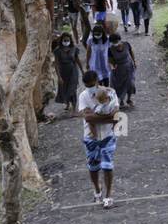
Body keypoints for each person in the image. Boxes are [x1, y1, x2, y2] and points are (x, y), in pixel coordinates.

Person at [77, 69, 119, 209]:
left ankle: (108, 196)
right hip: (90, 137)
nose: (90, 88)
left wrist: (97, 119)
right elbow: (87, 117)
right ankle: (97, 190)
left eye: (92, 85)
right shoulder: (83, 96)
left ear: (97, 81)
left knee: (107, 166)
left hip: (108, 135)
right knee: (93, 167)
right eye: (87, 85)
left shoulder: (110, 92)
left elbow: (116, 116)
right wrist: (108, 119)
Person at [54, 31, 82, 111]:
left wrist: (82, 71)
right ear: (61, 41)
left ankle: (74, 108)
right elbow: (56, 64)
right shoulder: (58, 51)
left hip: (73, 70)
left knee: (72, 89)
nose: (66, 42)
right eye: (64, 40)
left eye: (67, 40)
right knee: (64, 88)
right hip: (63, 71)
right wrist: (59, 77)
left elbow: (77, 60)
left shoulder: (74, 49)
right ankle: (67, 103)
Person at [108, 32, 137, 107]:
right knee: (119, 86)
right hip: (118, 70)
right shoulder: (110, 49)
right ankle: (120, 100)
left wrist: (134, 61)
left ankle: (129, 99)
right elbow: (110, 61)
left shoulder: (126, 44)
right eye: (113, 42)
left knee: (130, 84)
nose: (115, 44)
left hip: (129, 67)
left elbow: (131, 52)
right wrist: (112, 67)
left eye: (116, 42)